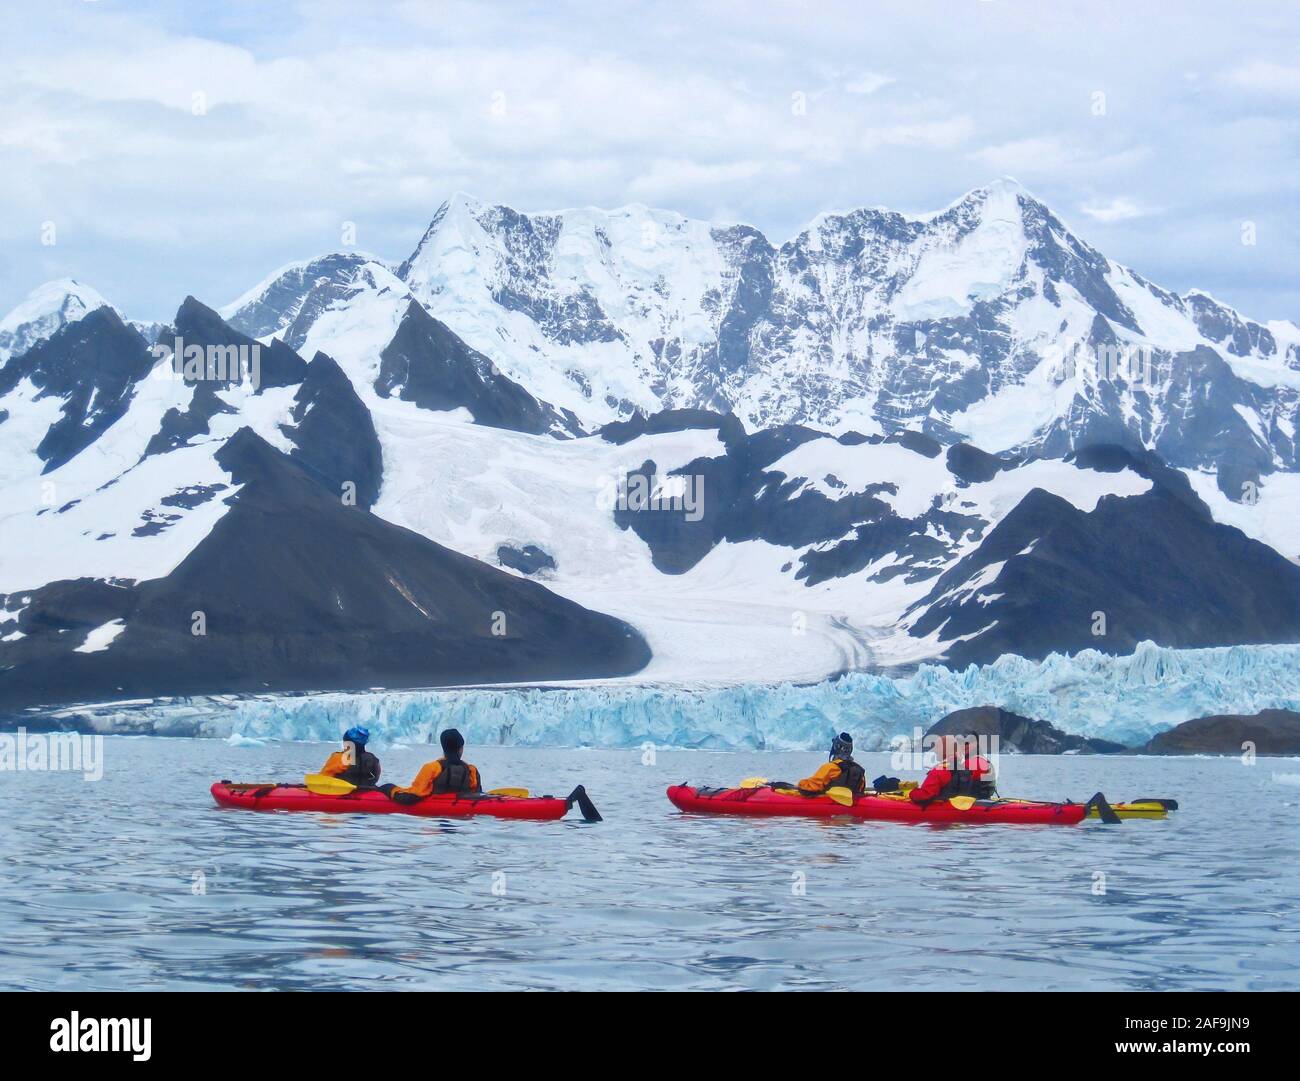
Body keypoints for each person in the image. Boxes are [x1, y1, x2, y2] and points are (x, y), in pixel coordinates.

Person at [389, 728, 482, 801]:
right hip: (464, 813)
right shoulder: (471, 770)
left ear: (443, 748)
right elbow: (478, 794)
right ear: (461, 749)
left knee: (388, 786)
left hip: (436, 812)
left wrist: (391, 790)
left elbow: (413, 796)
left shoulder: (432, 768)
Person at [909, 733, 996, 804]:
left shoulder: (941, 770)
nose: (935, 750)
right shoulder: (960, 765)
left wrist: (911, 793)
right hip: (966, 803)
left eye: (938, 747)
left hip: (951, 807)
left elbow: (926, 795)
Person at [794, 732, 867, 796]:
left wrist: (800, 784)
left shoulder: (830, 767)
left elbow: (811, 787)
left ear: (836, 747)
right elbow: (861, 789)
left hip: (829, 803)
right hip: (851, 802)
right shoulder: (858, 769)